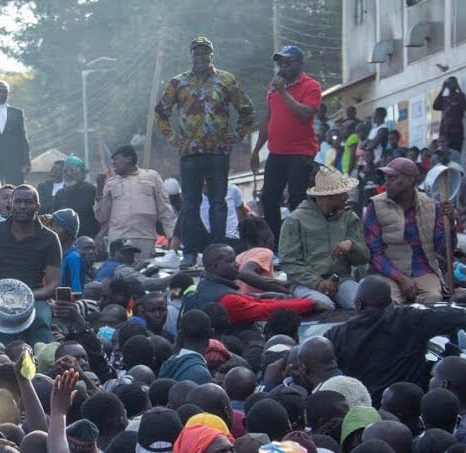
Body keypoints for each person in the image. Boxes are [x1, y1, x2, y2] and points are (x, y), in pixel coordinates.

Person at [155, 36, 255, 268]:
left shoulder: (226, 80)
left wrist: (238, 134)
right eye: (196, 53)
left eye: (205, 53)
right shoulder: (178, 82)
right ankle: (189, 252)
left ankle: (217, 251)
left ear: (212, 55)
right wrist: (172, 137)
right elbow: (161, 111)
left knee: (218, 202)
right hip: (190, 152)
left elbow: (247, 109)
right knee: (190, 203)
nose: (200, 57)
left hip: (218, 151)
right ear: (191, 56)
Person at [325, 276, 466, 403]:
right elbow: (463, 317)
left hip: (364, 414)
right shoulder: (411, 319)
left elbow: (315, 361)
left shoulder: (337, 335)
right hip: (410, 412)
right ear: (390, 301)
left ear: (359, 304)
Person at [250, 45, 322, 242]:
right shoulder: (273, 87)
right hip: (277, 152)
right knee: (268, 198)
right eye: (280, 62)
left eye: (288, 62)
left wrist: (283, 91)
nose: (283, 66)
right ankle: (276, 243)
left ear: (300, 63)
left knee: (297, 199)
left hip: (300, 152)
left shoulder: (311, 86)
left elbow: (304, 114)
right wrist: (257, 150)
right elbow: (268, 119)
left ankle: (300, 242)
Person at [0, 185, 60, 344]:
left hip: (34, 298)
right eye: (18, 201)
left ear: (37, 206)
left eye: (28, 202)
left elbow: (54, 283)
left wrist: (25, 297)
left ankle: (47, 364)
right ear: (10, 204)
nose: (23, 206)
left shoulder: (50, 238)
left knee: (41, 322)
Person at [363, 157, 452, 305]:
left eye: (392, 178)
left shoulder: (432, 205)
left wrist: (451, 224)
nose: (386, 183)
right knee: (389, 305)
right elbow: (374, 254)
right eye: (386, 178)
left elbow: (443, 249)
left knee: (434, 301)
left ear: (410, 180)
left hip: (424, 270)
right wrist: (401, 278)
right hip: (388, 274)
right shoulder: (375, 205)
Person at [278, 165, 368, 310]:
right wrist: (317, 283)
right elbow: (288, 261)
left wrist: (352, 245)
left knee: (363, 303)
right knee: (323, 305)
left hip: (342, 280)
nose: (346, 197)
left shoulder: (350, 217)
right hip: (305, 283)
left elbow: (364, 257)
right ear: (328, 197)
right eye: (342, 194)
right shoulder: (295, 220)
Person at [184, 244, 320, 330]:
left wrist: (276, 298)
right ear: (214, 266)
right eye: (231, 261)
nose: (237, 265)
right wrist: (309, 303)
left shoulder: (205, 286)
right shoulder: (227, 299)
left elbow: (255, 301)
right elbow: (266, 310)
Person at [94, 145, 177, 261]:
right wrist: (99, 188)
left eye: (116, 159)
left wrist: (172, 238)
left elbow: (166, 211)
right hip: (118, 240)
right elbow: (102, 217)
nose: (113, 164)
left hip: (145, 239)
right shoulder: (111, 183)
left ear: (129, 158)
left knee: (143, 275)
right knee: (119, 276)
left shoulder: (151, 177)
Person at [53, 156, 100, 239]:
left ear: (82, 173)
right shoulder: (60, 194)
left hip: (89, 241)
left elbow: (101, 217)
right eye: (65, 171)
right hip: (66, 241)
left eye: (72, 170)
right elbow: (54, 219)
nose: (68, 174)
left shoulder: (93, 191)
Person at [432, 78, 466, 154]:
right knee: (444, 153)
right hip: (445, 132)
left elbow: (465, 106)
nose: (451, 85)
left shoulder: (460, 96)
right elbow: (435, 106)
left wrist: (459, 89)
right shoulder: (445, 99)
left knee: (456, 153)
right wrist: (442, 89)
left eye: (453, 83)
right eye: (449, 84)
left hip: (456, 132)